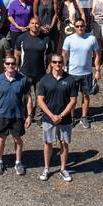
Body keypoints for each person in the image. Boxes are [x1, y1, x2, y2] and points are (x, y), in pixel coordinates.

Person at [0, 54, 33, 175]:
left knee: (17, 139)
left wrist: (29, 116)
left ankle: (18, 162)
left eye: (13, 63)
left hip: (18, 115)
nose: (10, 66)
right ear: (4, 65)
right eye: (8, 64)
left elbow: (28, 99)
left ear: (16, 65)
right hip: (2, 114)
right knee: (1, 138)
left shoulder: (23, 80)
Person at [36, 53, 77, 182]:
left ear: (63, 64)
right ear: (51, 64)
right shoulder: (44, 80)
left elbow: (73, 100)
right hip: (49, 118)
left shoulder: (70, 80)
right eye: (55, 62)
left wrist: (61, 115)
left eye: (60, 62)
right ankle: (47, 168)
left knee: (64, 143)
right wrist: (51, 115)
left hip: (64, 119)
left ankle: (63, 169)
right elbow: (40, 100)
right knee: (48, 143)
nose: (57, 64)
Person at [62, 17, 100, 128]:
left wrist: (97, 70)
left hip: (87, 73)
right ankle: (72, 117)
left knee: (86, 96)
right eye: (77, 26)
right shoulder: (69, 39)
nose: (80, 28)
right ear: (74, 27)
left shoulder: (91, 39)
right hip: (72, 73)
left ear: (85, 26)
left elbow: (97, 55)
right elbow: (64, 54)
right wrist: (63, 69)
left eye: (82, 26)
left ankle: (84, 117)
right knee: (72, 97)